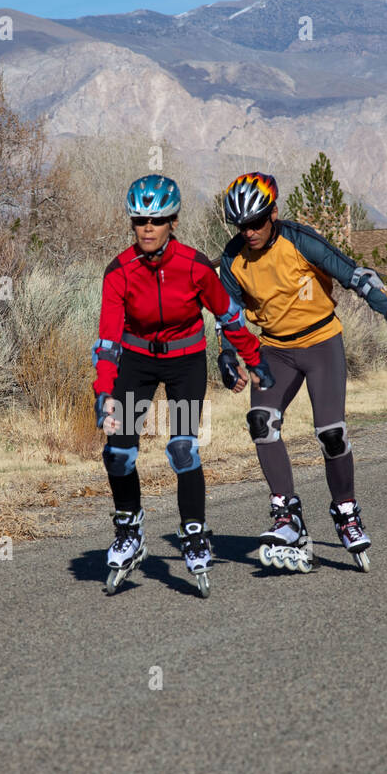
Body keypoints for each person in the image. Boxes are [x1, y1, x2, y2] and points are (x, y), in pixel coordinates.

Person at [217, 172, 387, 570]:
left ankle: (346, 512)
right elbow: (228, 312)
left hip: (321, 342)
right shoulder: (232, 257)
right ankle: (286, 515)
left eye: (256, 222)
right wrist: (227, 353)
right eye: (240, 225)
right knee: (261, 421)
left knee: (331, 433)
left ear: (273, 213)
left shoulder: (300, 240)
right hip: (274, 349)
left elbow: (356, 277)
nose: (249, 232)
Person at [92, 174, 273, 593]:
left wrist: (254, 358)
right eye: (140, 221)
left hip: (186, 361)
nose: (148, 229)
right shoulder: (119, 271)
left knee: (182, 448)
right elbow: (107, 341)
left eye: (157, 220)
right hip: (136, 361)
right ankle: (129, 531)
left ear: (173, 222)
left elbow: (228, 316)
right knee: (118, 452)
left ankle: (194, 534)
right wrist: (104, 391)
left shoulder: (195, 265)